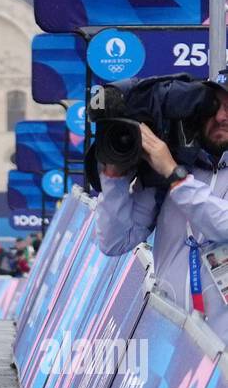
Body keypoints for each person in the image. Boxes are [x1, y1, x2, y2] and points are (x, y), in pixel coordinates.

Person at [95, 78, 228, 340]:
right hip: (173, 337)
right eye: (216, 105)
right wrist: (115, 177)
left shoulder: (172, 170)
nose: (222, 117)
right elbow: (115, 242)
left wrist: (175, 176)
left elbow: (222, 225)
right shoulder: (175, 165)